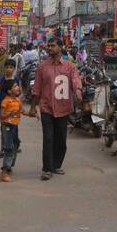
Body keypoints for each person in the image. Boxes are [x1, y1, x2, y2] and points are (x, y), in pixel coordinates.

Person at [33, 38, 82, 180]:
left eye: (53, 46)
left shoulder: (70, 66)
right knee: (48, 138)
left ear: (60, 47)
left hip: (63, 107)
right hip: (46, 107)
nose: (49, 48)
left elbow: (75, 80)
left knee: (61, 139)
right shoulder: (42, 67)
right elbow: (37, 88)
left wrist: (78, 91)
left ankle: (56, 165)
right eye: (48, 46)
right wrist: (32, 107)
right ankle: (46, 168)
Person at [0, 83, 23, 182]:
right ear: (9, 91)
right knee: (9, 147)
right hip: (7, 126)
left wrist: (32, 114)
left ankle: (9, 166)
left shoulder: (18, 100)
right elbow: (1, 116)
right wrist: (9, 114)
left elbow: (22, 111)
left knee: (16, 144)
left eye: (17, 86)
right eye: (15, 86)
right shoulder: (5, 101)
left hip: (14, 126)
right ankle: (5, 171)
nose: (17, 88)